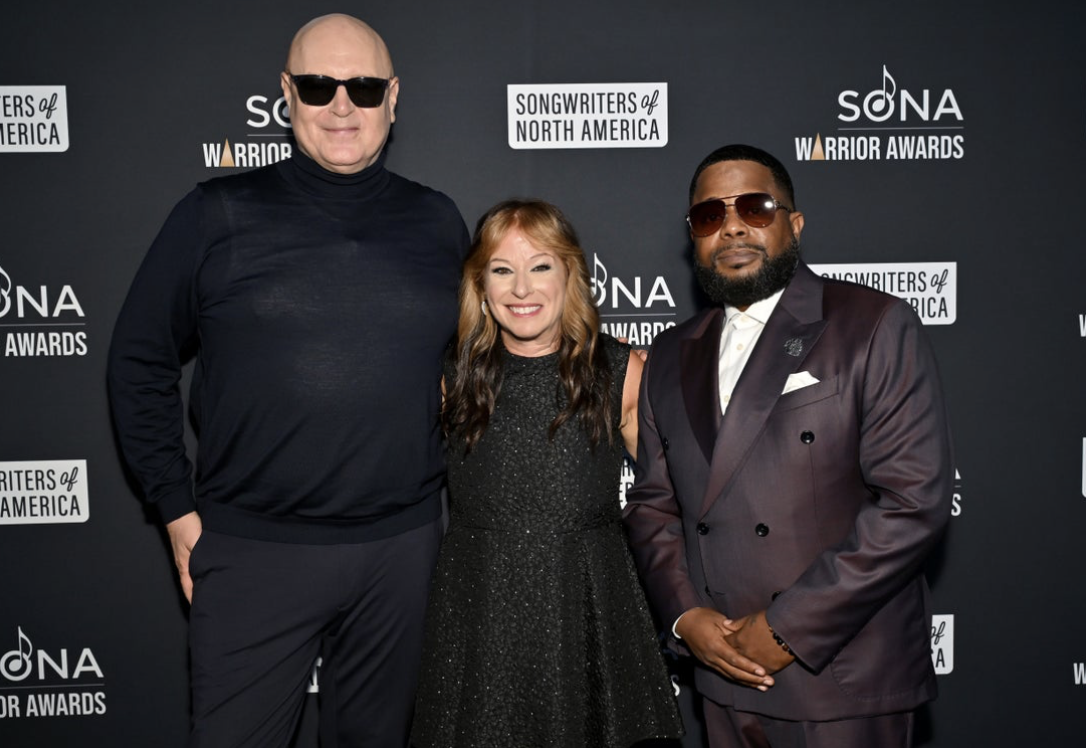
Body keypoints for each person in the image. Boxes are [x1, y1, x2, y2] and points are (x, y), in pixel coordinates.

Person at [107, 14, 468, 748]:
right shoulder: (214, 215)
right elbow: (138, 361)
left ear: (394, 96)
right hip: (253, 553)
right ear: (286, 92)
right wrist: (176, 510)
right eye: (317, 85)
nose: (342, 105)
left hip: (402, 553)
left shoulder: (437, 221)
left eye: (364, 87)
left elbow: (479, 366)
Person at [623, 144, 952, 748]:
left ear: (794, 224)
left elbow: (911, 504)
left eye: (755, 207)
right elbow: (652, 505)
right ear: (693, 237)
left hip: (841, 677)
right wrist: (686, 618)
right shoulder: (669, 355)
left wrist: (786, 628)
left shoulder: (872, 325)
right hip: (723, 677)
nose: (732, 227)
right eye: (710, 216)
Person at [411, 200, 684, 748]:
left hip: (589, 603)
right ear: (480, 286)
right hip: (481, 607)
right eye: (501, 270)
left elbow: (669, 500)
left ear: (570, 275)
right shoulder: (452, 377)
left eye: (540, 266)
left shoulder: (620, 373)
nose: (521, 288)